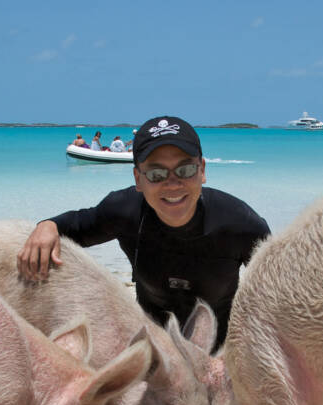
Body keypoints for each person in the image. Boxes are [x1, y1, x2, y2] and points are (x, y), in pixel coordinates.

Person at [17, 115, 270, 350]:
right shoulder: (124, 211)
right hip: (154, 347)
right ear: (138, 179)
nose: (172, 183)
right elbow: (77, 225)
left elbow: (274, 291)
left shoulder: (240, 224)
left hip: (219, 348)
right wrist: (47, 225)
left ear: (202, 170)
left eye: (185, 170)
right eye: (156, 173)